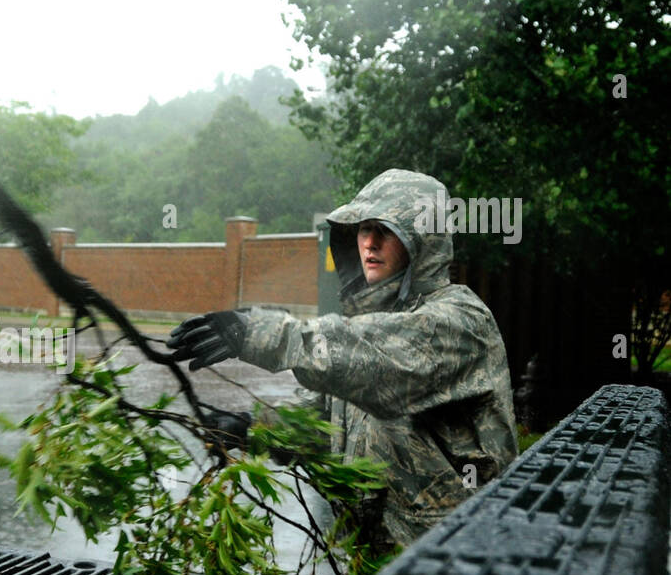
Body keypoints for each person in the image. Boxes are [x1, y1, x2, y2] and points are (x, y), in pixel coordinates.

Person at [167, 168, 518, 553]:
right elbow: (326, 420)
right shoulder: (367, 323)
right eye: (363, 230)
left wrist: (258, 333)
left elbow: (377, 360)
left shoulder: (461, 320)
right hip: (375, 564)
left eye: (386, 230)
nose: (370, 243)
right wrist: (253, 429)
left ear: (422, 240)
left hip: (452, 563)